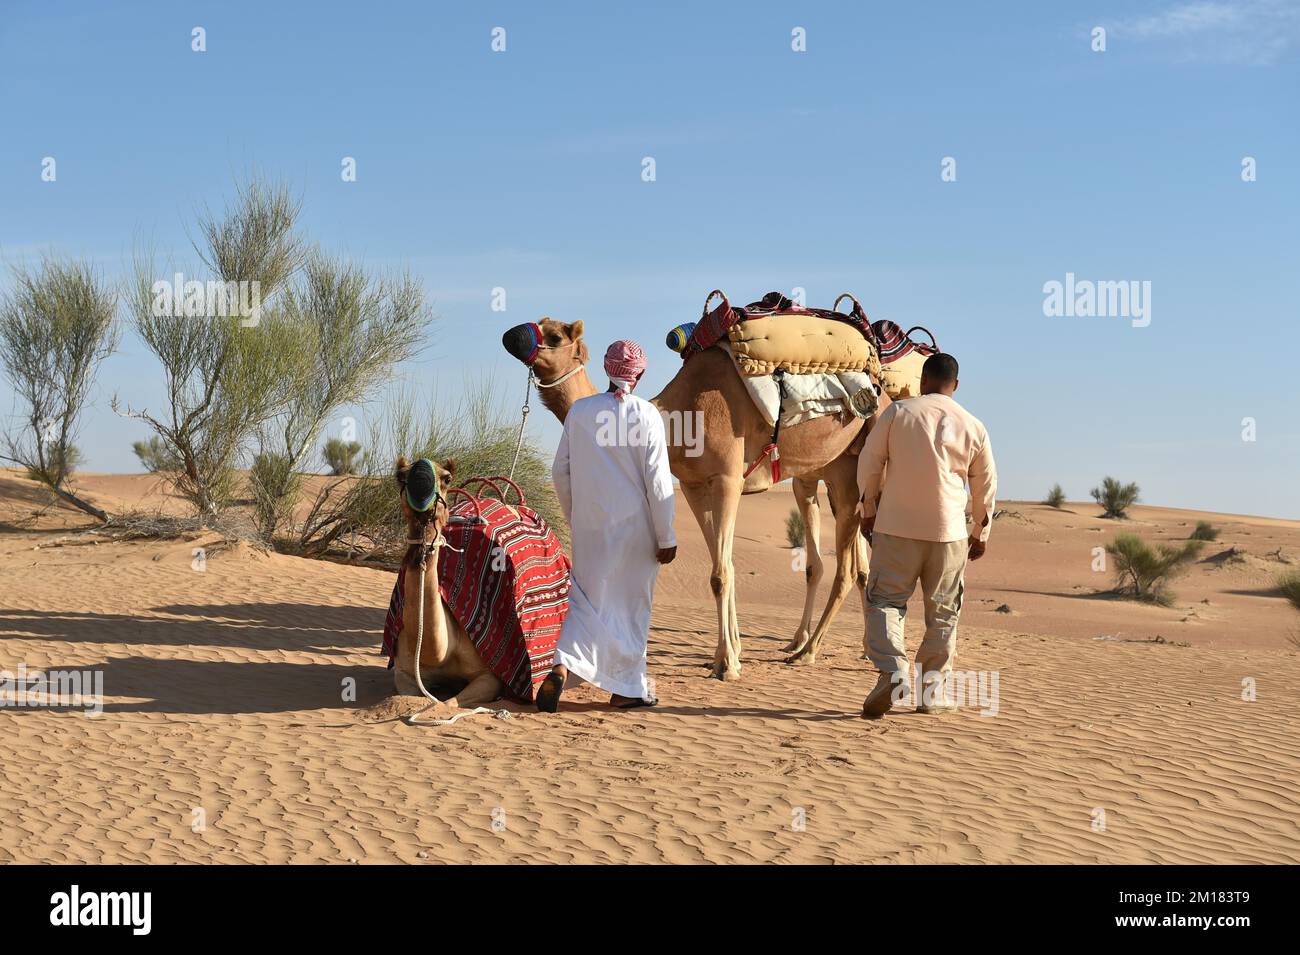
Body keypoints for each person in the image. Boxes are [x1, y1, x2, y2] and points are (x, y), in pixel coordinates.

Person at [536, 339, 677, 712]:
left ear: (607, 369)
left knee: (583, 603)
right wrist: (667, 535)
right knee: (632, 608)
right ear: (641, 373)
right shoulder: (647, 415)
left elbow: (559, 471)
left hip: (591, 530)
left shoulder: (580, 412)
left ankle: (561, 666)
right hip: (637, 532)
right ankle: (628, 688)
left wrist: (575, 517)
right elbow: (658, 482)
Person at [857, 352, 997, 718]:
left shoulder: (898, 413)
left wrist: (866, 511)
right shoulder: (973, 425)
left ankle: (892, 670)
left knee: (886, 601)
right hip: (949, 533)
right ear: (957, 385)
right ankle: (931, 694)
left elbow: (870, 463)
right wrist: (980, 531)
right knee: (944, 614)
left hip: (895, 527)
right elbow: (985, 485)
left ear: (922, 381)